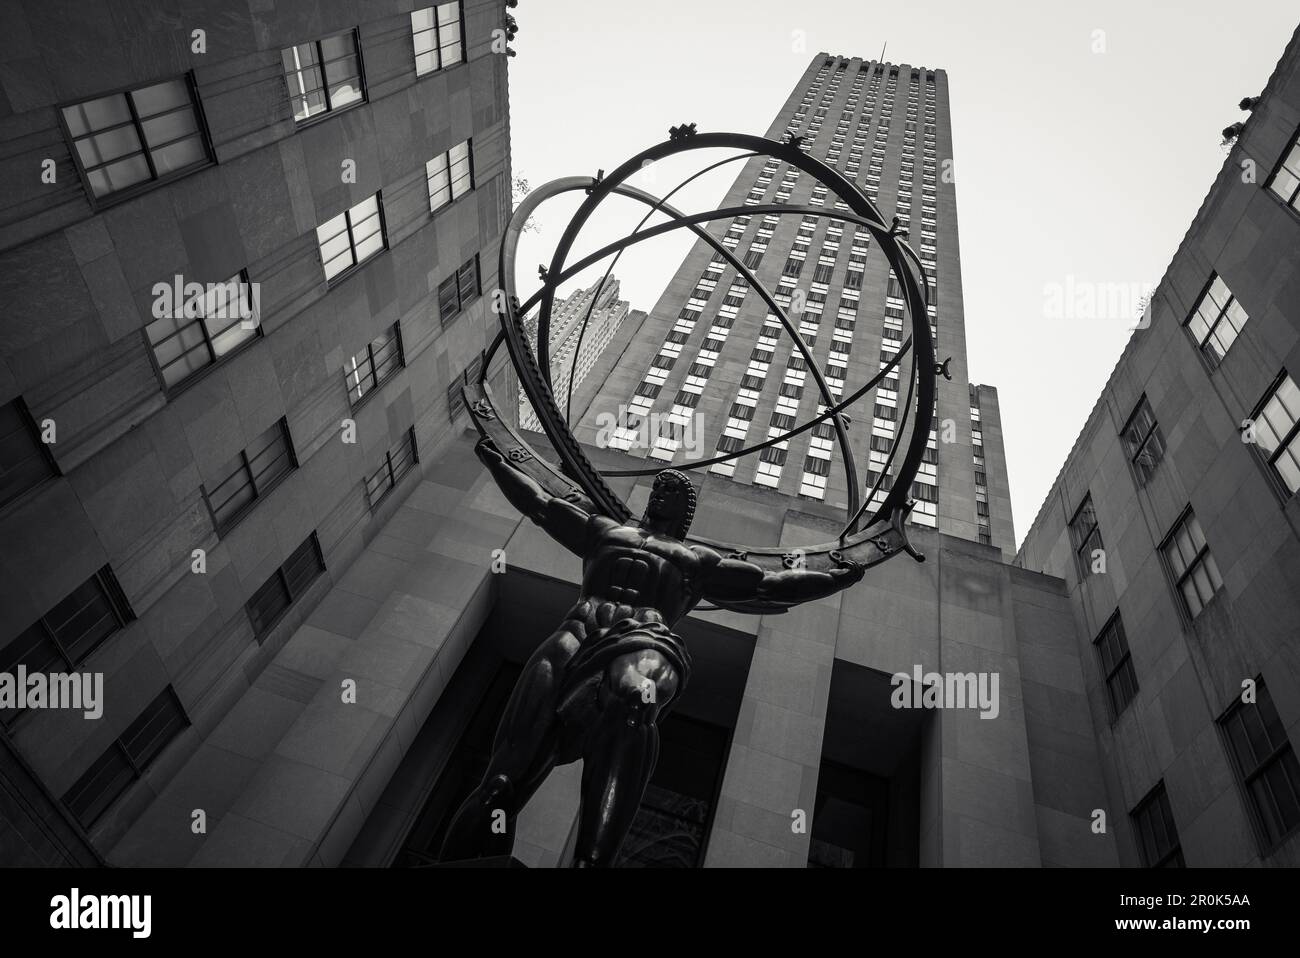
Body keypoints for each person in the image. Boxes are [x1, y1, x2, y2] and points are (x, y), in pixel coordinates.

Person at [439, 437, 864, 867]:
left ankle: (592, 859)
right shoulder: (605, 530)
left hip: (643, 639)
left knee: (633, 696)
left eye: (674, 492)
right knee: (502, 780)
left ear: (687, 511)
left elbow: (767, 584)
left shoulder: (697, 560)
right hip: (575, 634)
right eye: (659, 487)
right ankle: (464, 857)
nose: (662, 493)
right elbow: (541, 505)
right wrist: (495, 462)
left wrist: (835, 580)